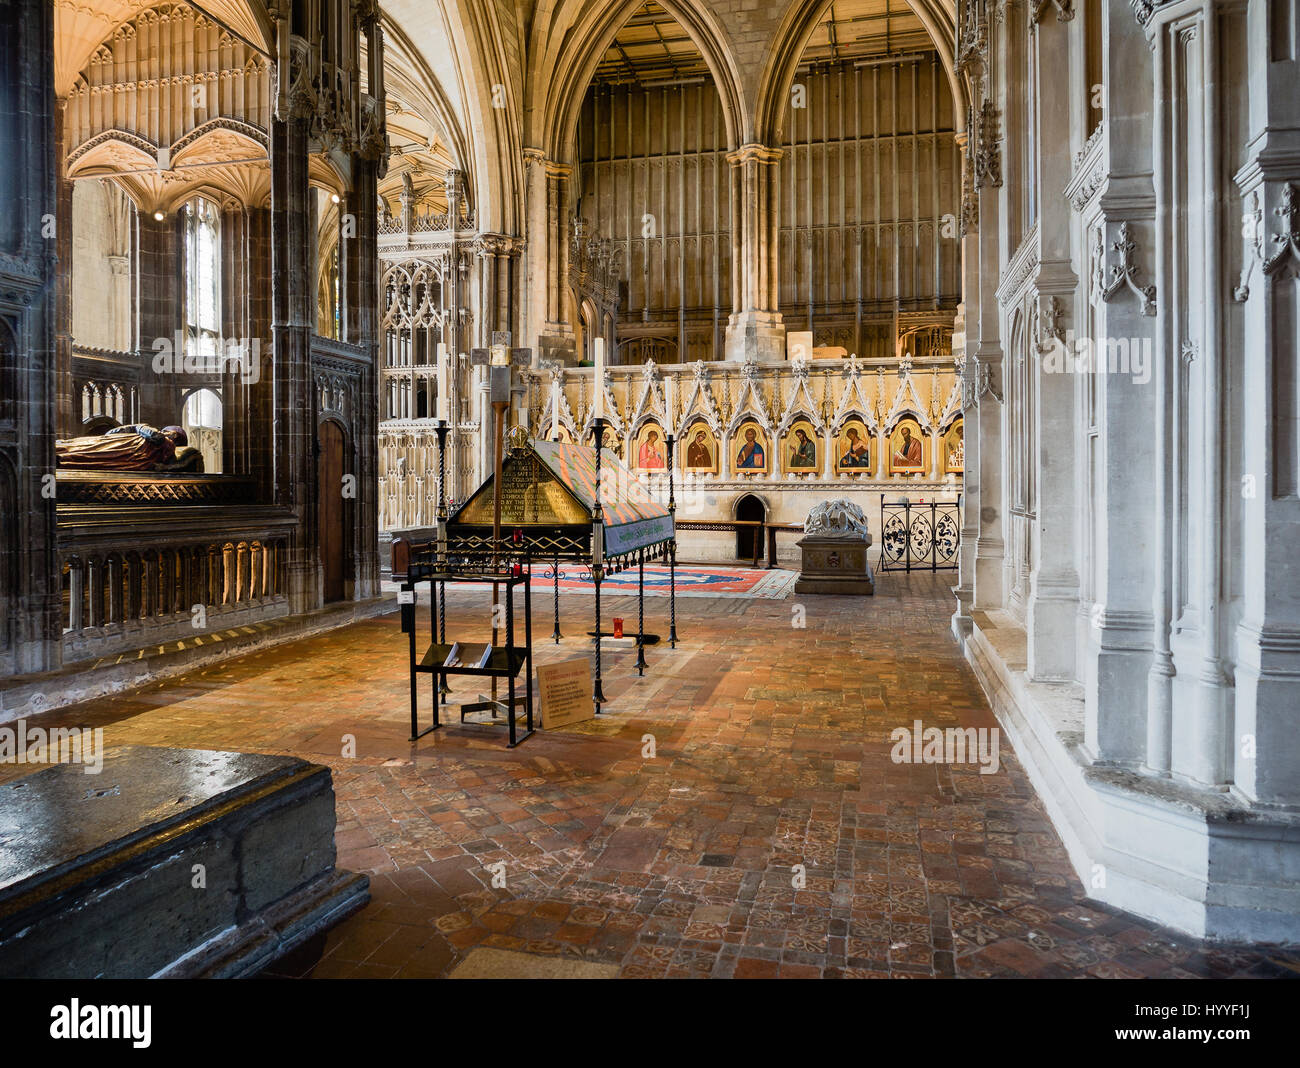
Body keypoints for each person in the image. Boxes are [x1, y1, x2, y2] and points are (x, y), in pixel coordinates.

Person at [56, 423, 190, 471]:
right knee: (88, 445)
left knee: (92, 453)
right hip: (120, 444)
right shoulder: (152, 433)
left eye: (171, 433)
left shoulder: (167, 443)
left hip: (127, 451)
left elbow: (157, 438)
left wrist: (142, 427)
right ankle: (62, 450)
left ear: (175, 436)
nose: (167, 433)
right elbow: (130, 428)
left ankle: (63, 457)